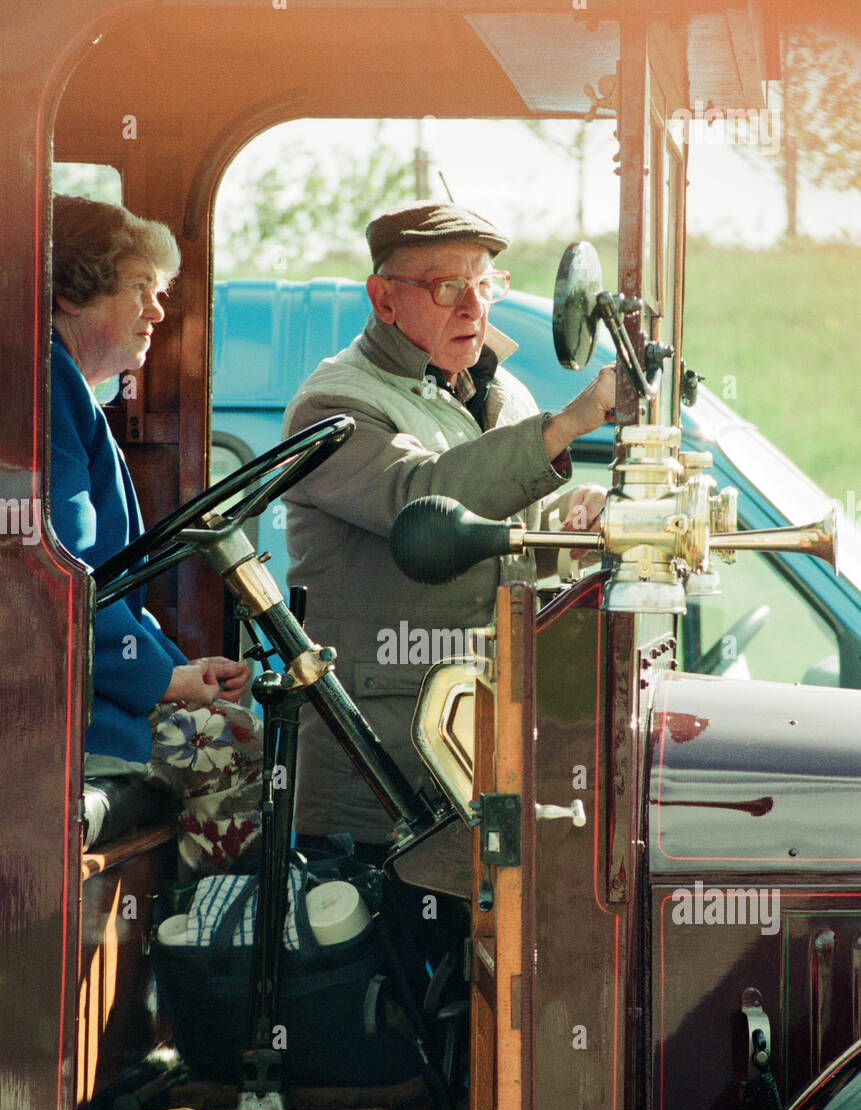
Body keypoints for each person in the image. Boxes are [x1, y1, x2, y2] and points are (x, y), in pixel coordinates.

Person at [281, 200, 614, 858]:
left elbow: (493, 533)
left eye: (484, 284)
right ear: (383, 299)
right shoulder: (335, 404)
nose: (472, 308)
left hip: (473, 743)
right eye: (446, 287)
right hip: (378, 764)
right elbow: (422, 502)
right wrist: (569, 422)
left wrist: (573, 520)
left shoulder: (495, 391)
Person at [50, 195, 262, 874]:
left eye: (161, 292)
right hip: (60, 714)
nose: (158, 312)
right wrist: (164, 680)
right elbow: (61, 572)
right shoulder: (41, 387)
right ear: (75, 292)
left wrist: (176, 668)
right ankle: (214, 954)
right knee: (232, 743)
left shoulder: (68, 389)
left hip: (85, 687)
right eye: (140, 288)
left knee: (232, 721)